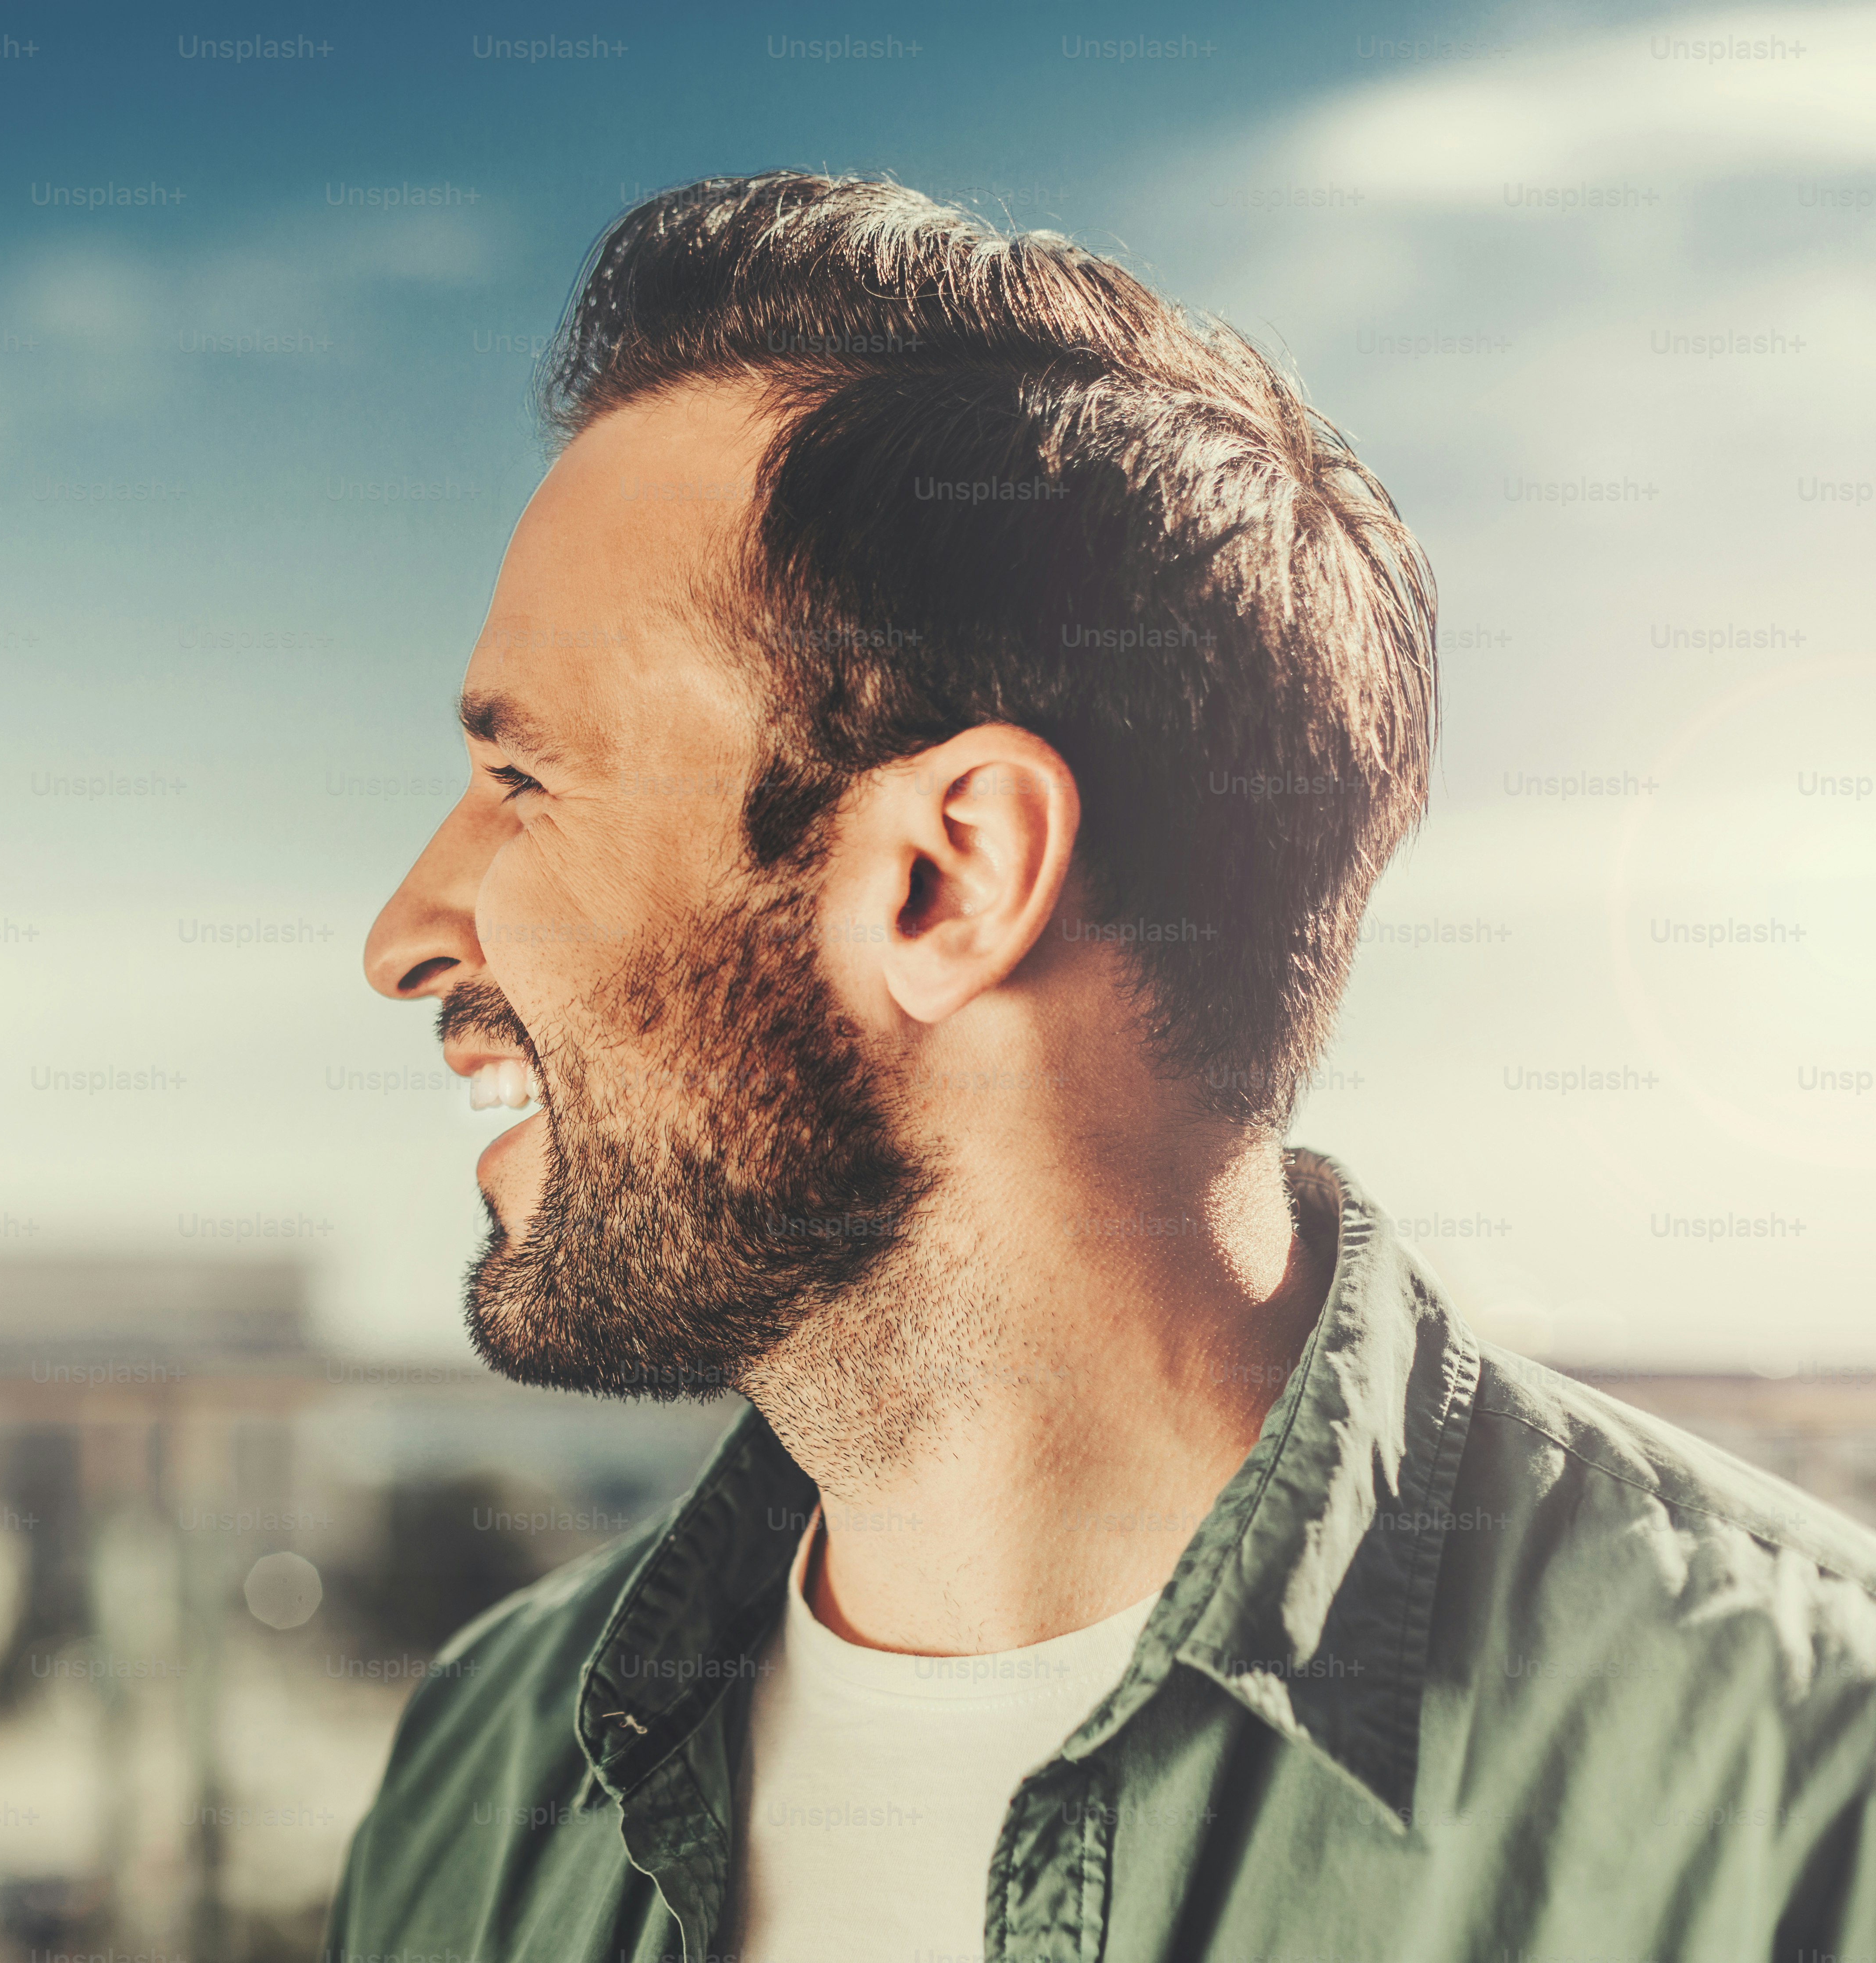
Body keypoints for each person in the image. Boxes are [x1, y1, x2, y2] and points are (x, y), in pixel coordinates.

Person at [326, 170, 1876, 1963]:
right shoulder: (486, 1771)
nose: (403, 933)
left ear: (949, 874)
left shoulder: (1798, 1800)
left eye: (526, 782)